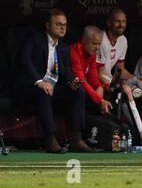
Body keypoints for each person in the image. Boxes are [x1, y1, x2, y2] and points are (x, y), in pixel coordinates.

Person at [14, 9, 92, 153]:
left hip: (52, 89)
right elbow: (24, 60)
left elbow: (65, 70)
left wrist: (72, 82)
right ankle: (50, 140)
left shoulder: (63, 47)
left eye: (65, 25)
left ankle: (76, 139)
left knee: (77, 92)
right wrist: (39, 81)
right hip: (31, 88)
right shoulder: (35, 38)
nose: (63, 28)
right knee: (43, 90)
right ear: (47, 25)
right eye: (58, 24)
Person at [96, 8, 142, 151]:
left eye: (124, 21)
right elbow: (99, 72)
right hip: (99, 83)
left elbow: (120, 70)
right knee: (126, 90)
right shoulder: (101, 39)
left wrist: (136, 80)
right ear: (109, 23)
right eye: (117, 21)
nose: (121, 24)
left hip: (112, 81)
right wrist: (115, 83)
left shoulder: (123, 40)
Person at [70, 26, 113, 115]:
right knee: (82, 92)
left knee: (107, 90)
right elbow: (81, 81)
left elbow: (93, 77)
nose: (97, 47)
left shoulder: (92, 53)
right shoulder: (73, 51)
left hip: (80, 87)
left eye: (99, 44)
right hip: (69, 87)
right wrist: (100, 100)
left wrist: (101, 87)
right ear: (84, 41)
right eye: (94, 43)